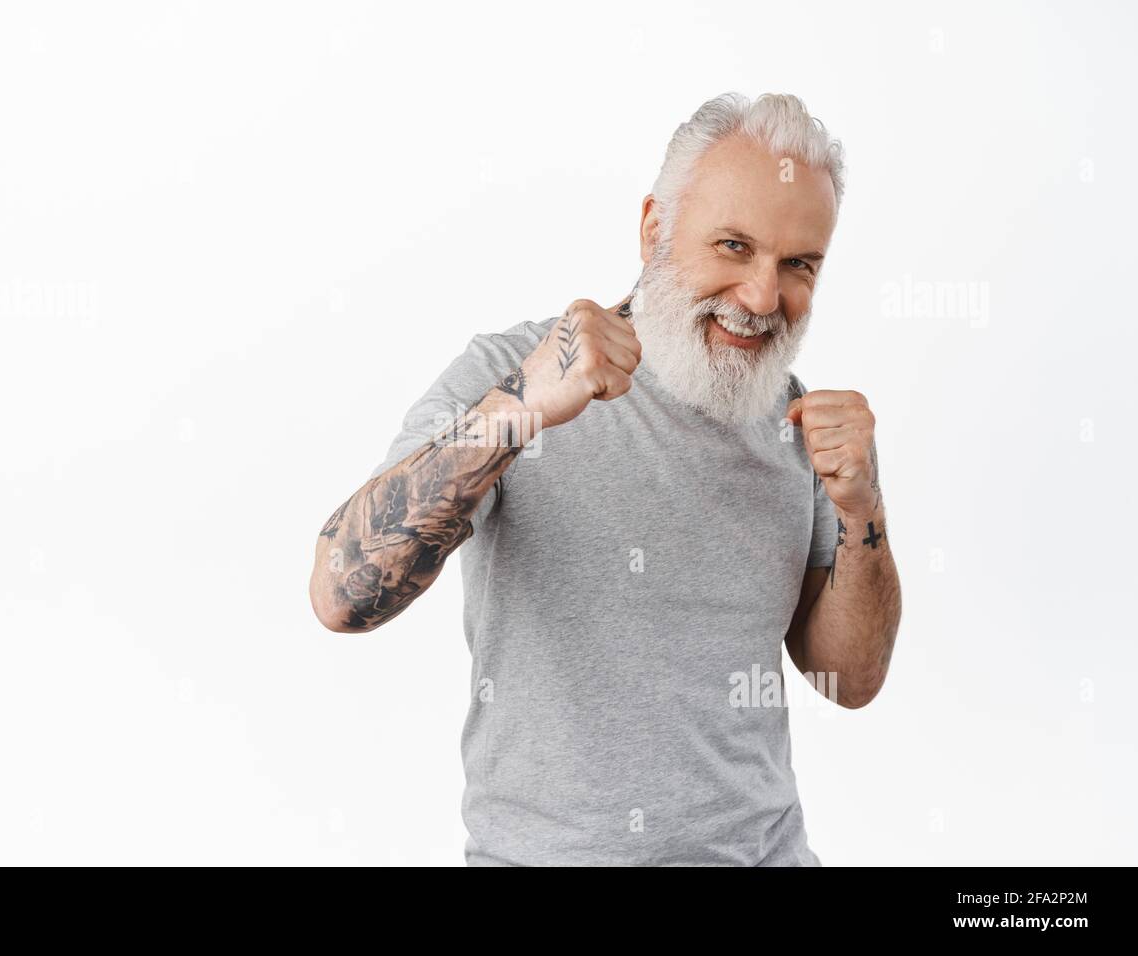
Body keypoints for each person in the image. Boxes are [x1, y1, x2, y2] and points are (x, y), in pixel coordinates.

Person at [309, 92, 902, 866]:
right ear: (656, 227)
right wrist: (519, 411)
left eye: (798, 264)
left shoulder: (798, 423)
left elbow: (848, 681)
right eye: (732, 246)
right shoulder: (510, 374)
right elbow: (341, 595)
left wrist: (863, 508)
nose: (762, 297)